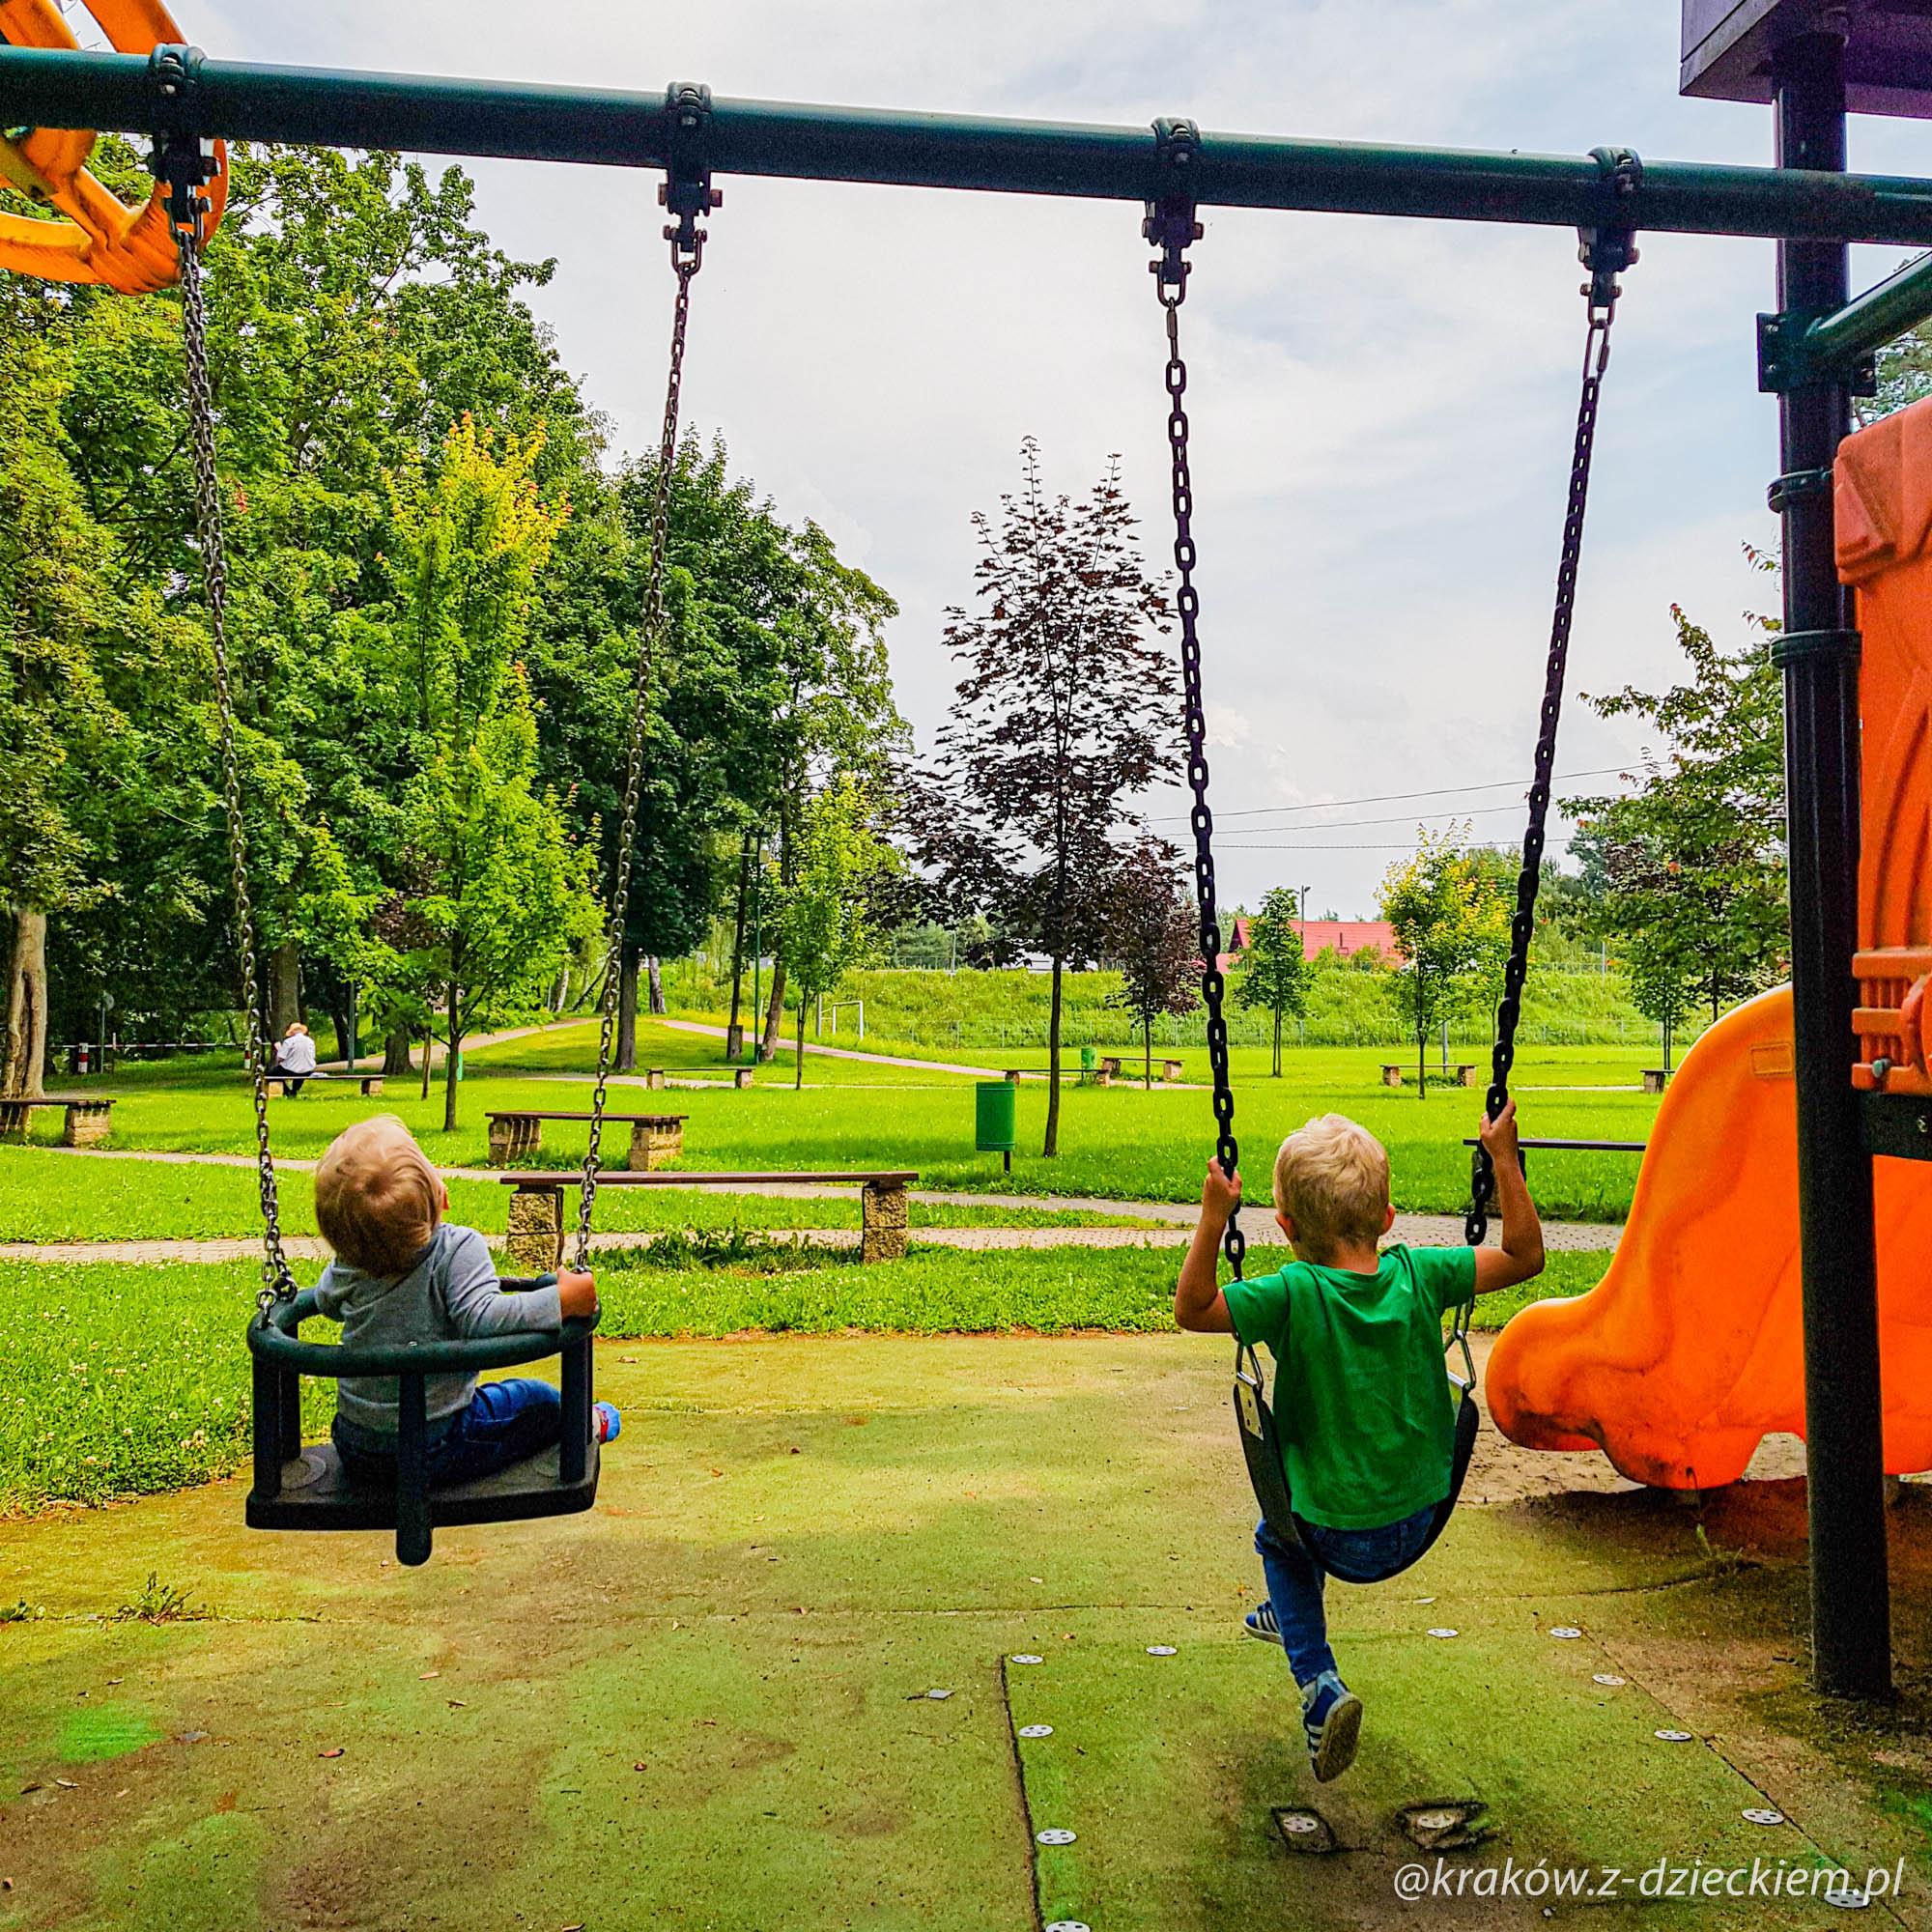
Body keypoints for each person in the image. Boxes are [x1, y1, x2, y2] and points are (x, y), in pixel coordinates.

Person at [1174, 1100, 1544, 1783]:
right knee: (1313, 1501)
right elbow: (1526, 1256)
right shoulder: (1423, 1274)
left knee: (1279, 1537)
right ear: (1387, 1218)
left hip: (1332, 1532)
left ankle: (1319, 1686)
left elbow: (1192, 1309)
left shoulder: (1291, 1292)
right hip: (1421, 1516)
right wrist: (1503, 1160)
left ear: (1285, 1227)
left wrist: (1212, 1218)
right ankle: (1290, 1614)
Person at [313, 1115, 619, 1488]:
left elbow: (327, 1302)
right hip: (440, 1443)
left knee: (492, 1400)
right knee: (535, 1398)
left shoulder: (350, 1261)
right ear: (441, 1199)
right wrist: (562, 1300)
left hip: (358, 1447)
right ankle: (586, 1423)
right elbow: (484, 1318)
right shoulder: (456, 1247)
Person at [272, 1020, 318, 1095]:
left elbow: (280, 1058)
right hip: (307, 1069)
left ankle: (286, 1091)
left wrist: (279, 1049)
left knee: (272, 1074)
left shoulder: (289, 1041)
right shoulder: (310, 1041)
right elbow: (312, 1056)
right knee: (301, 1071)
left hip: (291, 1069)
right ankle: (294, 1091)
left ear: (292, 1032)